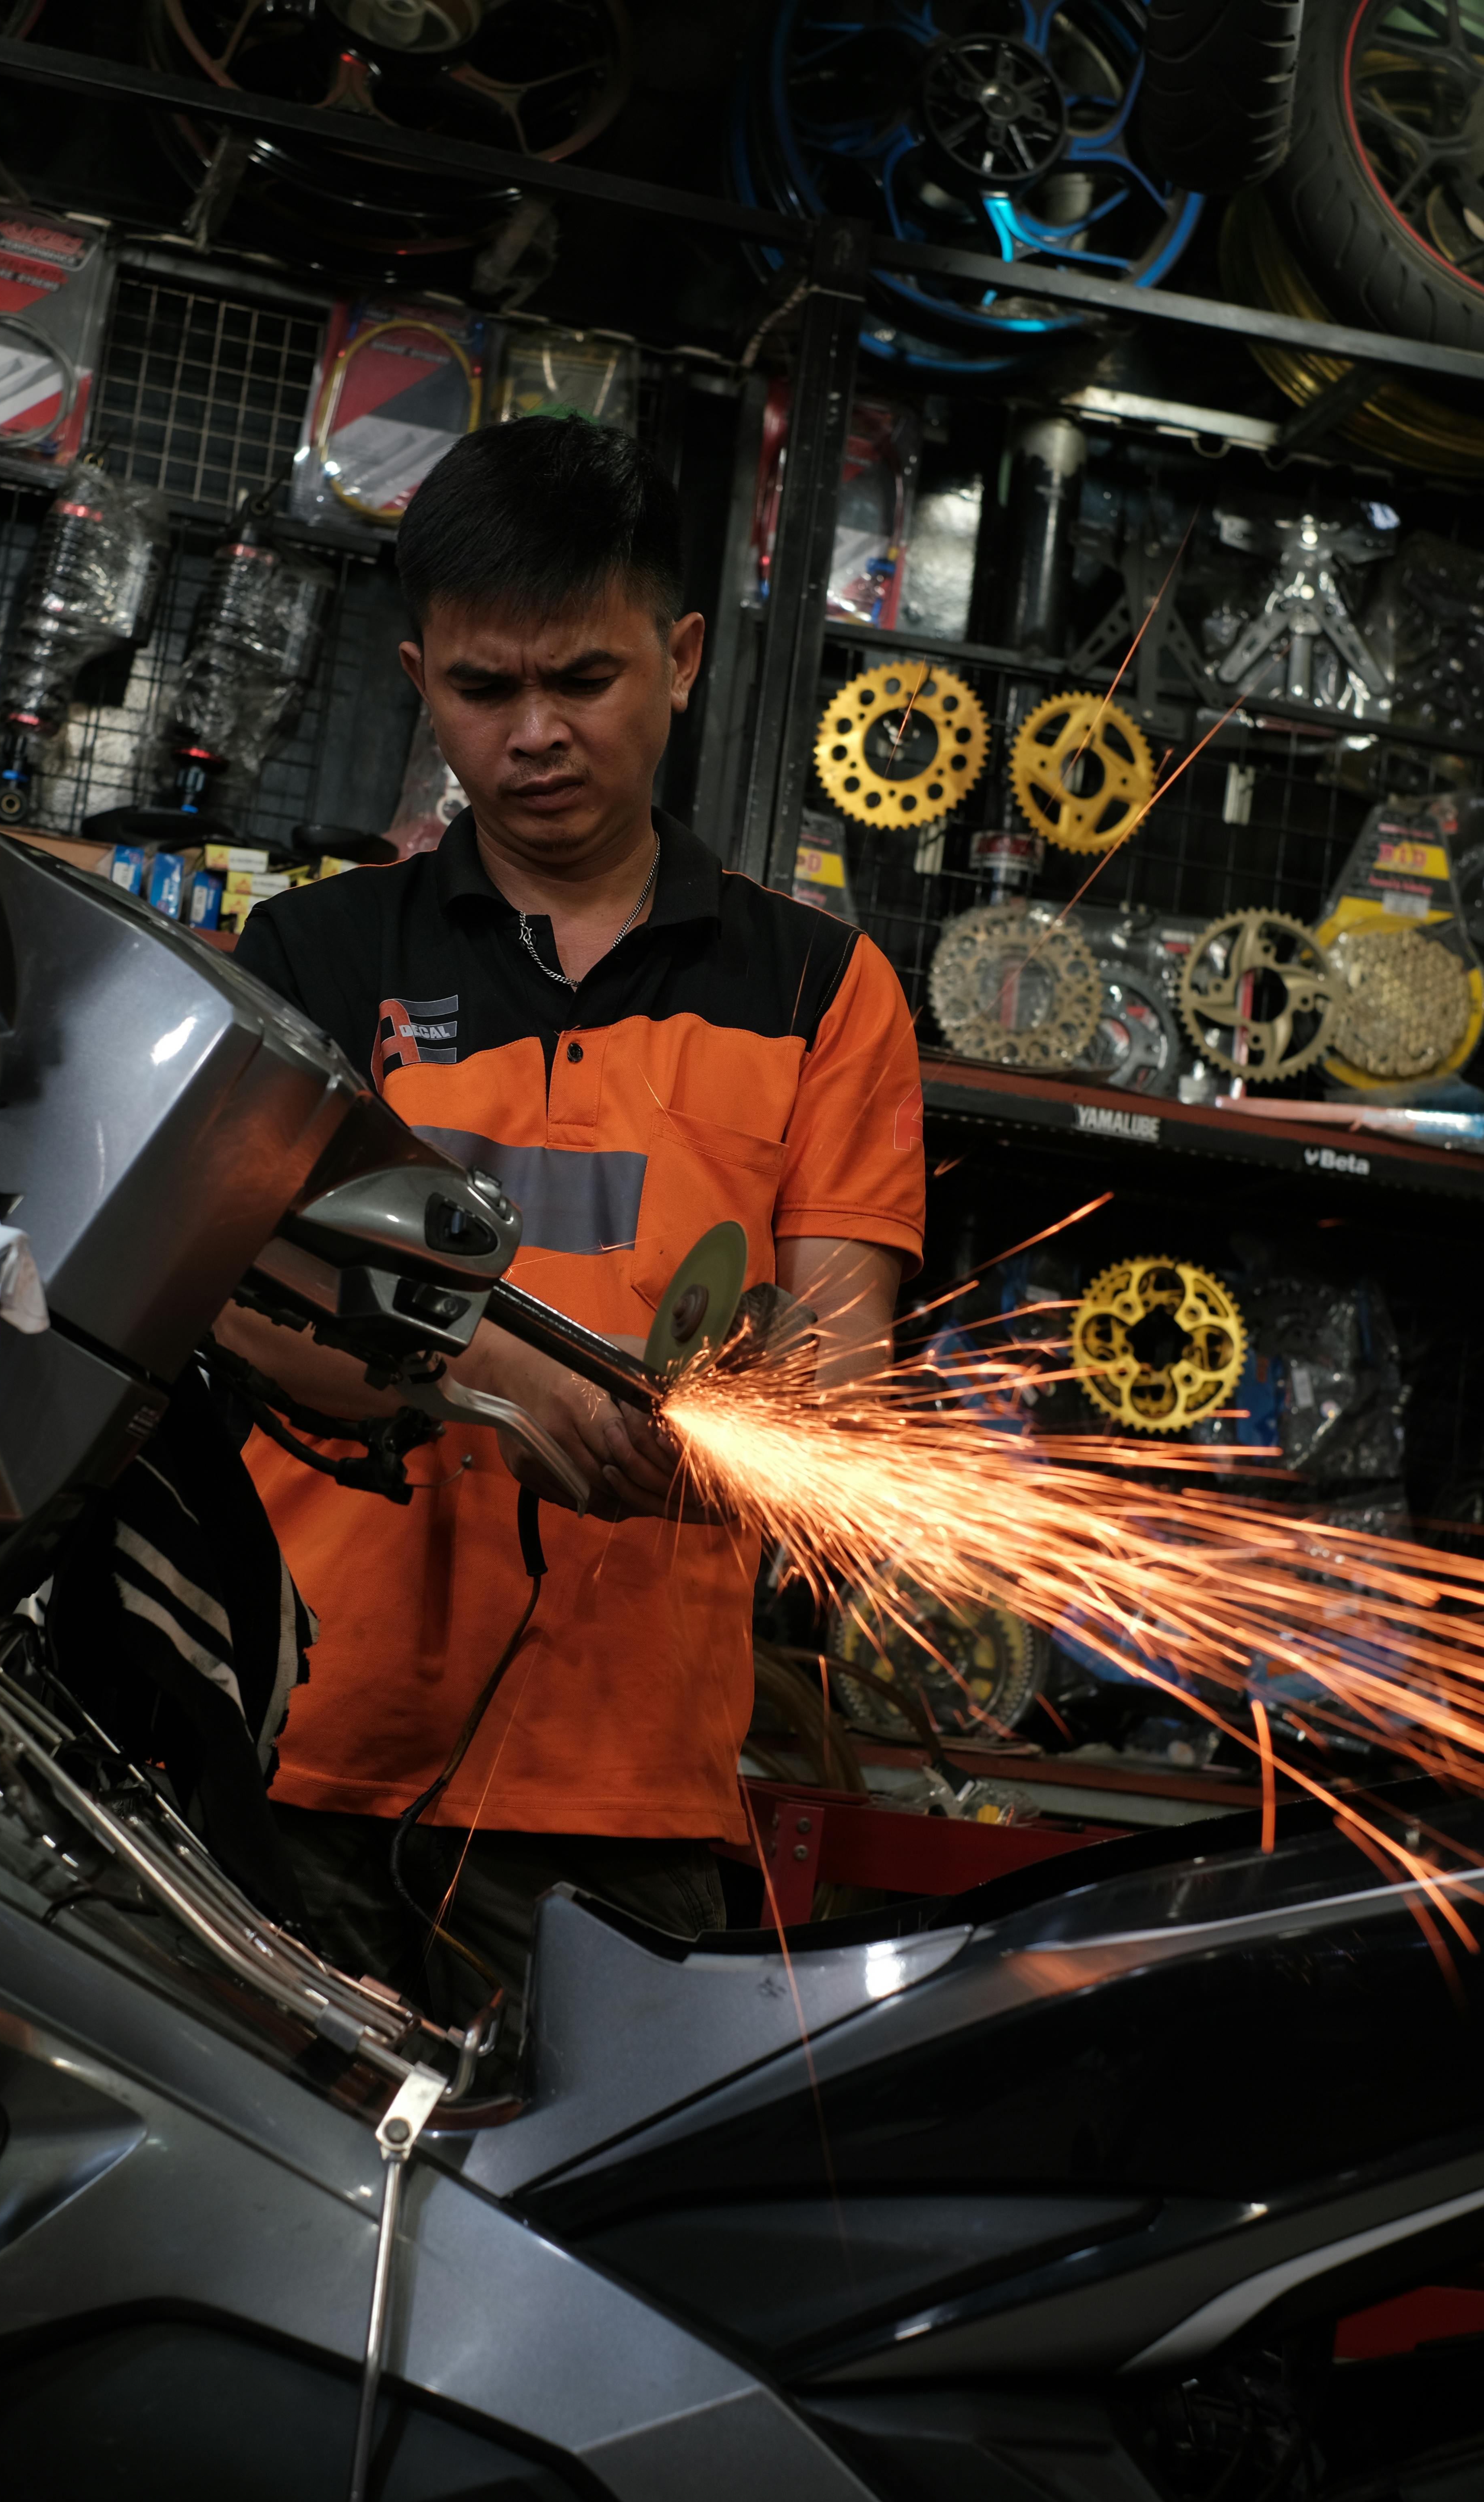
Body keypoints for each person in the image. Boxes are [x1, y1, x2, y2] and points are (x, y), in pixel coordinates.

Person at [218, 415, 925, 2042]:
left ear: (678, 659)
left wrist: (714, 1440)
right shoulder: (313, 960)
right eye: (483, 690)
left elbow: (841, 1371)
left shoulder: (820, 992)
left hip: (624, 1799)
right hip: (298, 1746)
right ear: (419, 680)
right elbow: (218, 1294)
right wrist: (478, 1385)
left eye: (584, 682)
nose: (534, 734)